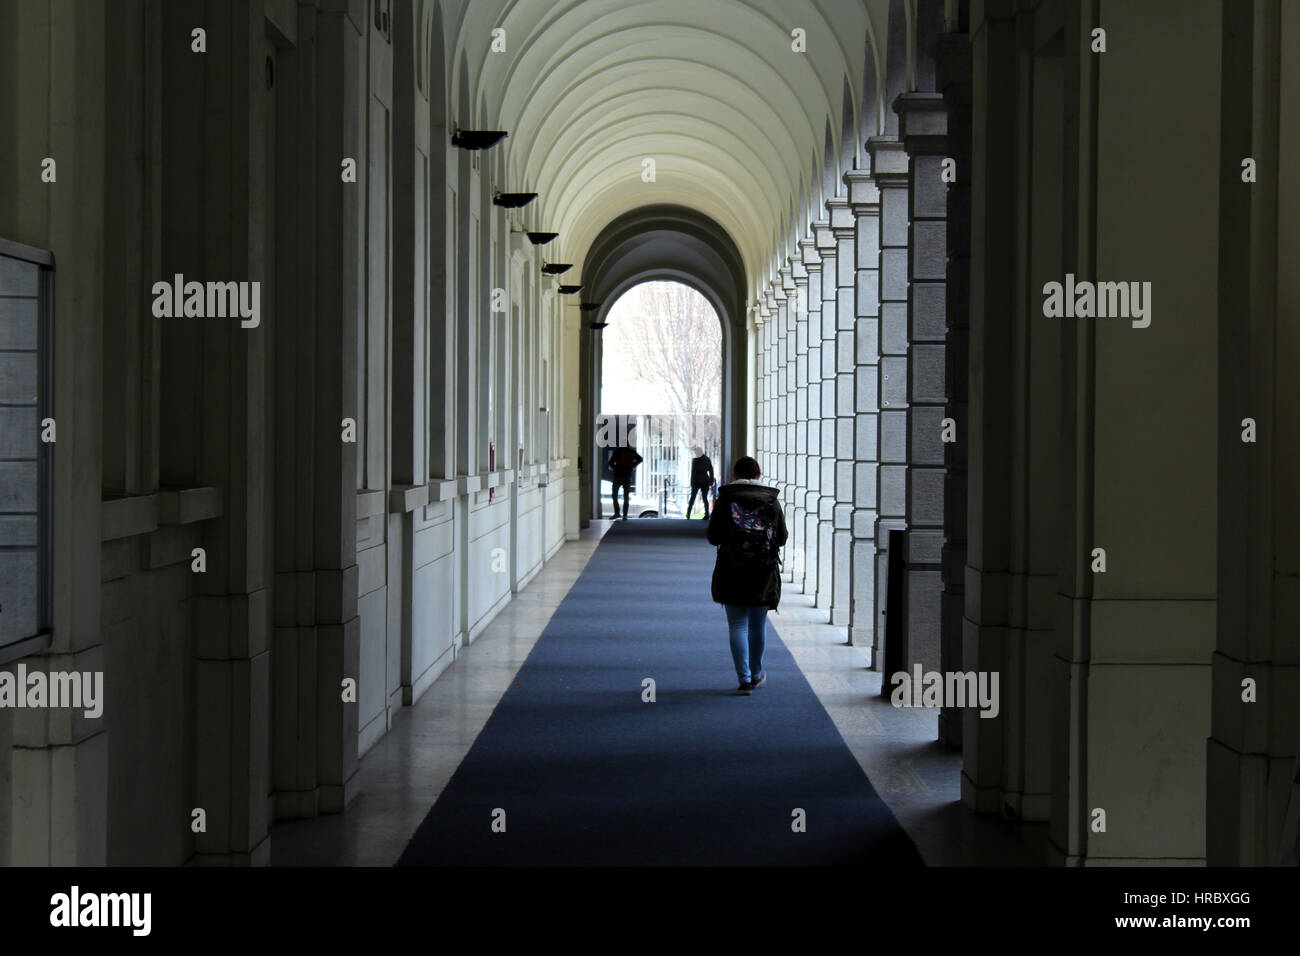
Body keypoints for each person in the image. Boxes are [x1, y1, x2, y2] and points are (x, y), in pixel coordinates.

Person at [706, 456, 787, 695]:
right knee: (757, 624)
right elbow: (781, 537)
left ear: (735, 475)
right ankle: (757, 672)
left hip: (733, 568)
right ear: (759, 475)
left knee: (738, 625)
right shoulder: (771, 500)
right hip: (763, 570)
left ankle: (744, 680)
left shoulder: (726, 498)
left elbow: (714, 537)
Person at [608, 444, 642, 519]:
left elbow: (610, 462)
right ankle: (625, 515)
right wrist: (632, 466)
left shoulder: (617, 451)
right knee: (626, 496)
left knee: (615, 495)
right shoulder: (631, 451)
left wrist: (616, 468)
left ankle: (617, 513)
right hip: (627, 476)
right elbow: (640, 459)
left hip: (618, 476)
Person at [686, 447, 715, 518]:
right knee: (705, 498)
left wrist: (692, 482)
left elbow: (693, 473)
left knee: (693, 497)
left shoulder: (695, 460)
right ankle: (706, 514)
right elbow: (711, 470)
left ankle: (688, 513)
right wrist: (711, 480)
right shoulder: (707, 459)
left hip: (696, 481)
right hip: (705, 480)